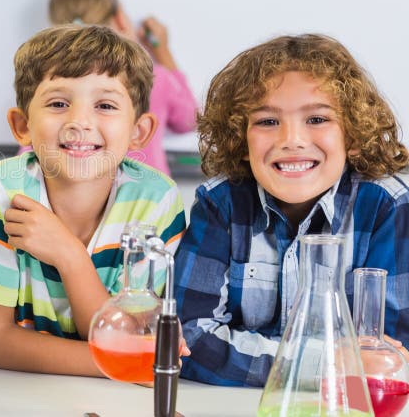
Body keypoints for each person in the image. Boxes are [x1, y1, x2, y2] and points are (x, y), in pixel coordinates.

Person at [174, 34, 409, 386]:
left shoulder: (387, 207)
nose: (292, 140)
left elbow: (390, 357)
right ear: (240, 140)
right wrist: (325, 364)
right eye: (268, 121)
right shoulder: (220, 203)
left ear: (353, 135)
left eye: (317, 119)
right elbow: (187, 337)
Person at [0, 24, 187, 376]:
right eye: (59, 103)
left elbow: (133, 337)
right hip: (22, 395)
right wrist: (126, 361)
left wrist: (69, 256)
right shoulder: (3, 189)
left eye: (105, 105)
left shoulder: (156, 200)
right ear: (22, 125)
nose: (79, 122)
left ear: (139, 132)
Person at [44, 0, 198, 176]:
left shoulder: (45, 83)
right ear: (119, 19)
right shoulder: (150, 78)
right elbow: (190, 120)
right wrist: (162, 52)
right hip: (146, 192)